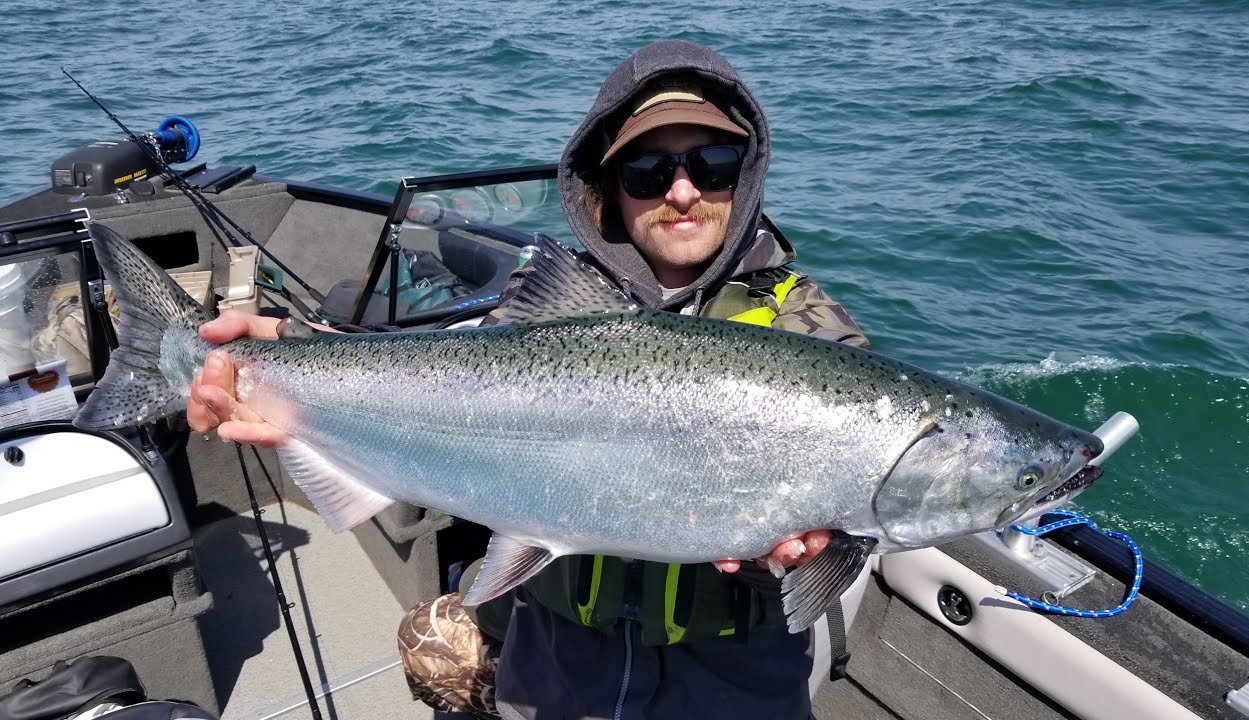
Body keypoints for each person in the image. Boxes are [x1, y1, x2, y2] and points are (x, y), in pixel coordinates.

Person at [189, 40, 869, 720]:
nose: (683, 190)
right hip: (554, 669)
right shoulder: (545, 291)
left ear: (743, 175)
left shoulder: (810, 331)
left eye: (712, 164)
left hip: (729, 684)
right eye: (646, 169)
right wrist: (294, 359)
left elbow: (828, 533)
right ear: (606, 182)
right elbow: (459, 394)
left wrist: (793, 552)